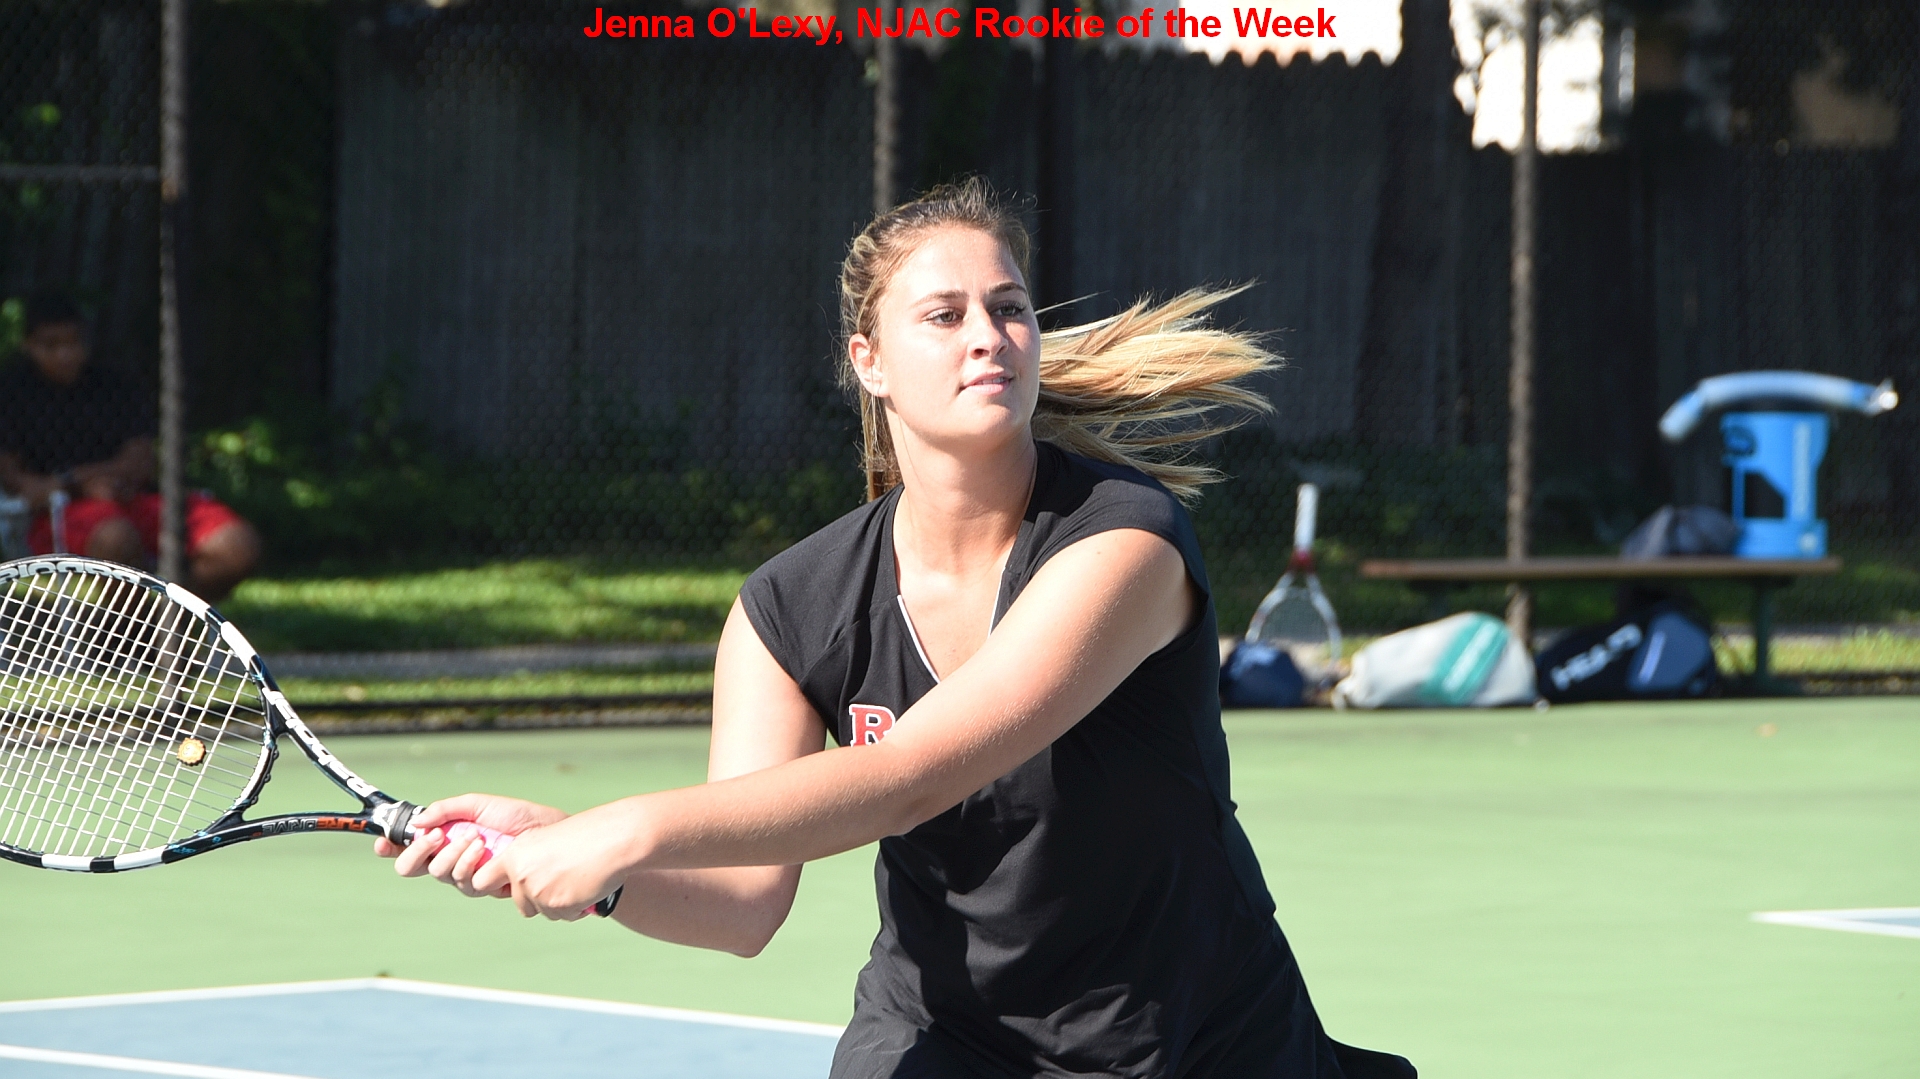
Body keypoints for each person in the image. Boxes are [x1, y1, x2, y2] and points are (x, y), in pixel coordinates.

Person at [379, 181, 1415, 1078]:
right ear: (868, 360)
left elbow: (917, 770)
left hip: (1191, 1033)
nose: (987, 335)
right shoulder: (789, 609)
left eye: (1008, 308)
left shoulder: (1124, 541)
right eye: (946, 314)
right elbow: (740, 903)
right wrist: (587, 862)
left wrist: (627, 824)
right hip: (943, 1038)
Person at [0, 291, 261, 601]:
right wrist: (78, 485)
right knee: (116, 539)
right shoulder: (11, 394)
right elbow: (20, 484)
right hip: (56, 516)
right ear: (28, 345)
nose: (65, 355)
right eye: (51, 345)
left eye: (74, 342)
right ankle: (125, 639)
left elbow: (139, 462)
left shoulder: (114, 384)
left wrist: (86, 479)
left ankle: (170, 629)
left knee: (237, 545)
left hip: (135, 499)